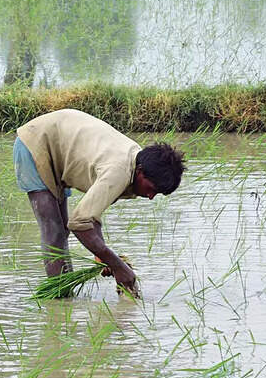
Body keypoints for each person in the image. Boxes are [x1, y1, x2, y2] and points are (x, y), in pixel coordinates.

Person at [14, 108, 185, 297]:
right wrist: (116, 265)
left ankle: (64, 297)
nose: (151, 196)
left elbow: (91, 216)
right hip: (37, 142)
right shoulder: (119, 171)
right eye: (152, 189)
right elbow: (79, 223)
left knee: (62, 230)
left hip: (62, 145)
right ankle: (60, 300)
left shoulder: (137, 161)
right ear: (140, 172)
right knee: (53, 231)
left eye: (157, 194)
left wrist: (101, 255)